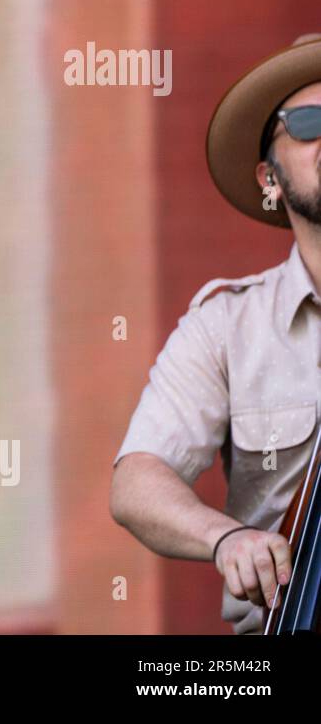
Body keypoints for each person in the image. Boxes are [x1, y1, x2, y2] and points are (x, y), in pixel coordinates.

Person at [110, 33, 321, 634]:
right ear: (269, 177)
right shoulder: (225, 326)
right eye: (308, 122)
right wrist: (228, 539)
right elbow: (136, 481)